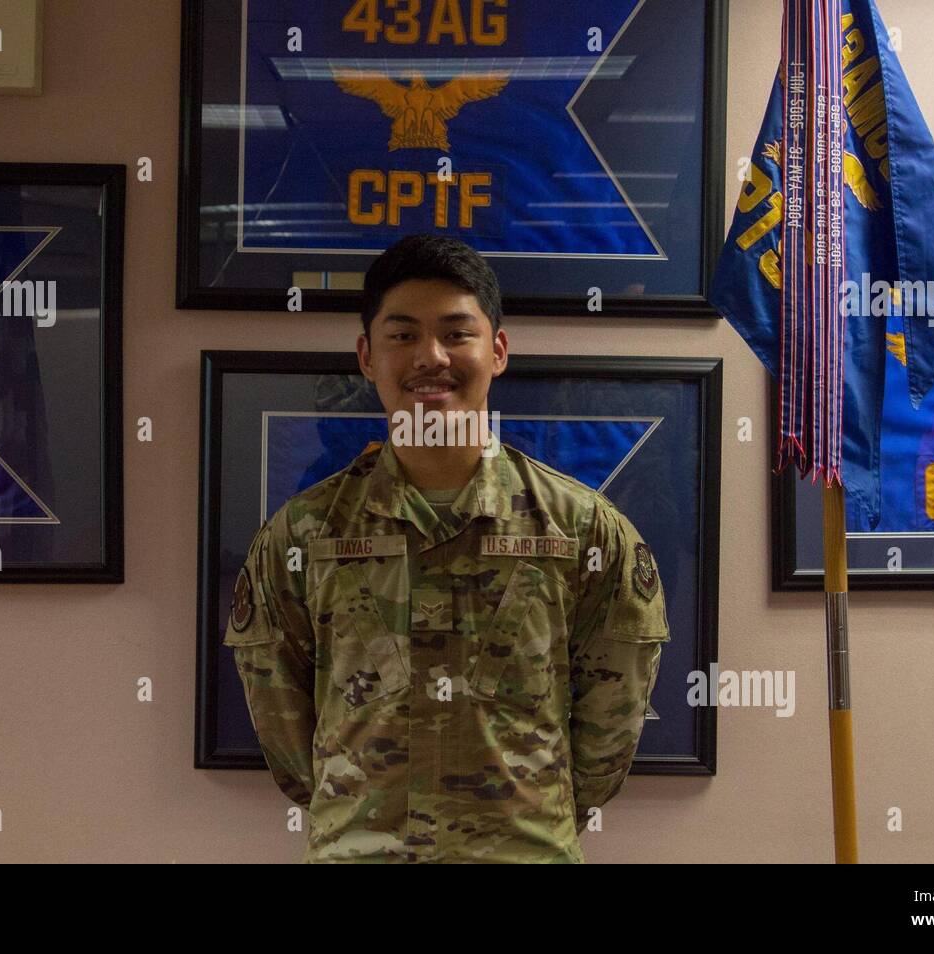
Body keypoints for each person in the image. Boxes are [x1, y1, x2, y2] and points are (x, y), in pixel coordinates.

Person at [224, 234, 669, 863]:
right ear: (366, 357)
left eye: (456, 333)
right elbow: (288, 739)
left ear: (499, 350)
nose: (430, 356)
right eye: (402, 335)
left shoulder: (583, 530)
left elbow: (607, 734)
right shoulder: (302, 536)